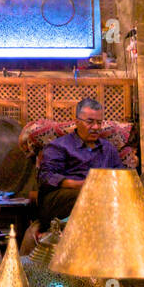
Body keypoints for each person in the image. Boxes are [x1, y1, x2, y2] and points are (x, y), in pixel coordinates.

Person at [36, 97, 127, 230]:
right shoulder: (59, 146)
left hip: (103, 196)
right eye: (90, 122)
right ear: (77, 121)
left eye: (99, 123)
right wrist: (80, 185)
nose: (95, 127)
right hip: (63, 198)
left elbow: (121, 176)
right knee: (90, 195)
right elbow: (45, 177)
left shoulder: (108, 149)